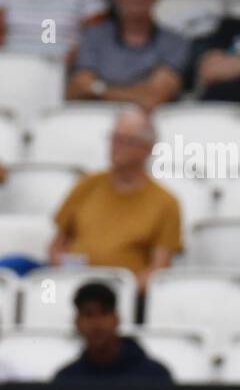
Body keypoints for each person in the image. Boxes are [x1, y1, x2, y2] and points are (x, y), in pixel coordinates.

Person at [50, 109, 183, 292]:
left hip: (126, 297)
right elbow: (56, 246)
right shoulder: (86, 185)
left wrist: (123, 292)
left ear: (147, 148)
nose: (116, 146)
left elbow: (159, 269)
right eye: (114, 138)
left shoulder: (166, 203)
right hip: (72, 287)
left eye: (126, 141)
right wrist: (63, 269)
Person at [67, 0, 189, 111]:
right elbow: (76, 90)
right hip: (95, 124)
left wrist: (98, 88)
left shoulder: (175, 42)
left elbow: (154, 97)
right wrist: (138, 92)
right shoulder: (93, 37)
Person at [53, 282, 174, 384]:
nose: (96, 323)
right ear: (77, 323)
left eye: (104, 313)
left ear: (117, 319)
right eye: (88, 314)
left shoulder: (154, 376)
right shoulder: (67, 379)